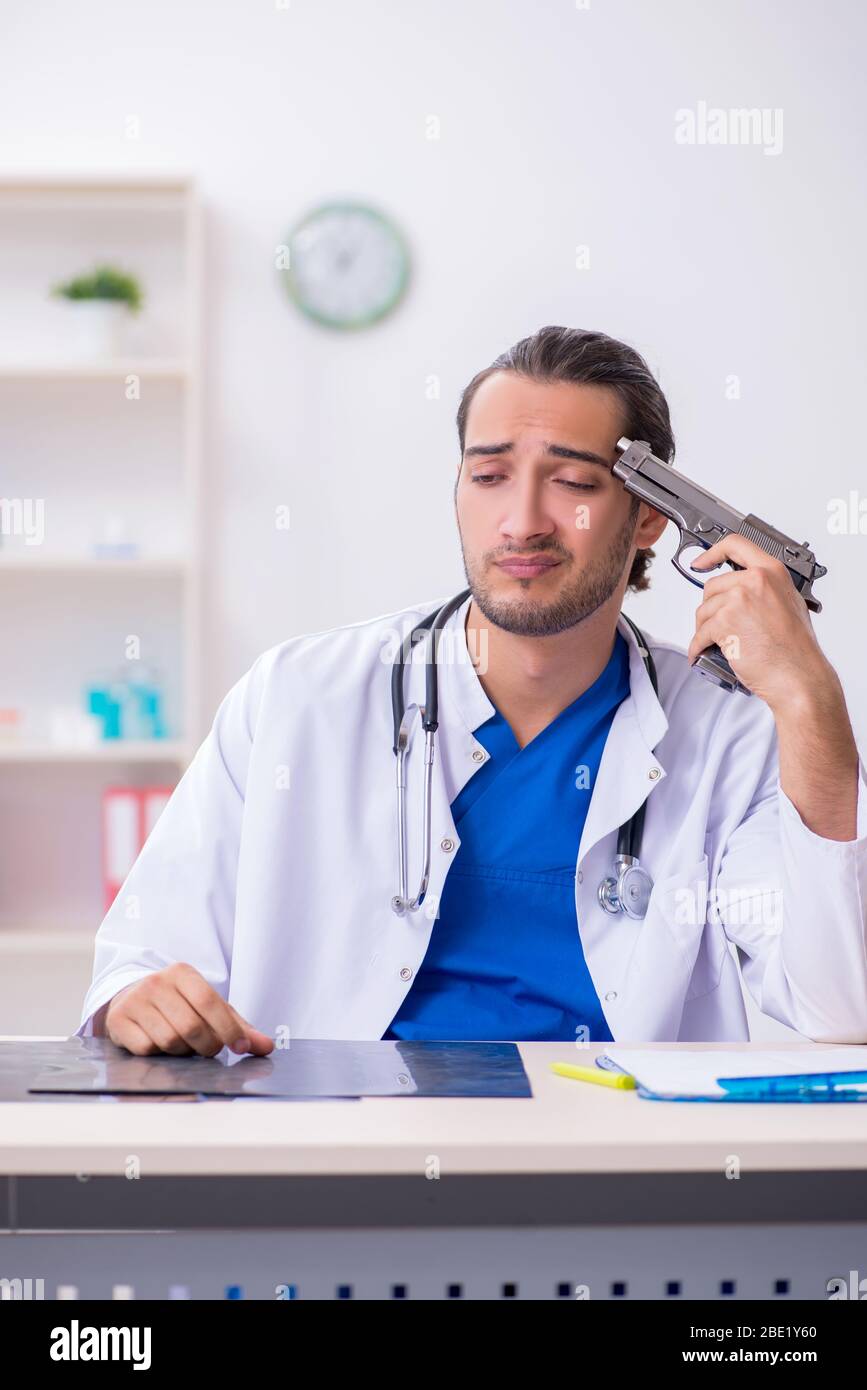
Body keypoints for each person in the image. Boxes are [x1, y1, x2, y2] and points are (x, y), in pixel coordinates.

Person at [77, 326, 867, 1056]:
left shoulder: (727, 736)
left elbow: (842, 1007)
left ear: (648, 519)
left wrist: (809, 703)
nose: (521, 522)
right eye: (488, 475)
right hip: (336, 1151)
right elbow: (140, 963)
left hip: (618, 1162)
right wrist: (132, 1002)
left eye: (570, 482)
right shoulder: (298, 697)